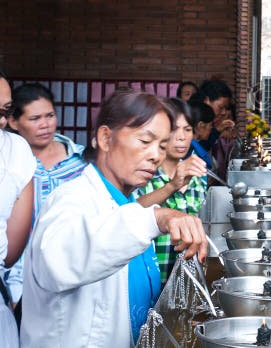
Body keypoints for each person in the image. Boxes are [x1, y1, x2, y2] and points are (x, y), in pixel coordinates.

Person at [20, 89, 207, 346]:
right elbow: (62, 260)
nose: (156, 155)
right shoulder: (71, 201)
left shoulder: (125, 202)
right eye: (145, 141)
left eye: (162, 146)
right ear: (106, 138)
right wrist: (157, 217)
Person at [134, 99, 207, 284]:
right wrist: (172, 185)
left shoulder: (197, 176)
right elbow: (131, 212)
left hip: (186, 282)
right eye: (174, 129)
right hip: (150, 281)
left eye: (188, 129)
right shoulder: (143, 172)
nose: (181, 137)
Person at [9, 83, 86, 218]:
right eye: (35, 118)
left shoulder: (83, 159)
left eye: (50, 115)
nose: (45, 125)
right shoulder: (8, 163)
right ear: (13, 122)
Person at [0, 71, 36, 348]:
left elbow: (12, 252)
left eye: (5, 111)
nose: (2, 120)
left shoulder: (15, 150)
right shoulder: (14, 151)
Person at [186, 99, 215, 171]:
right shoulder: (190, 150)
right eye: (210, 126)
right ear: (201, 125)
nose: (211, 129)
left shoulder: (194, 145)